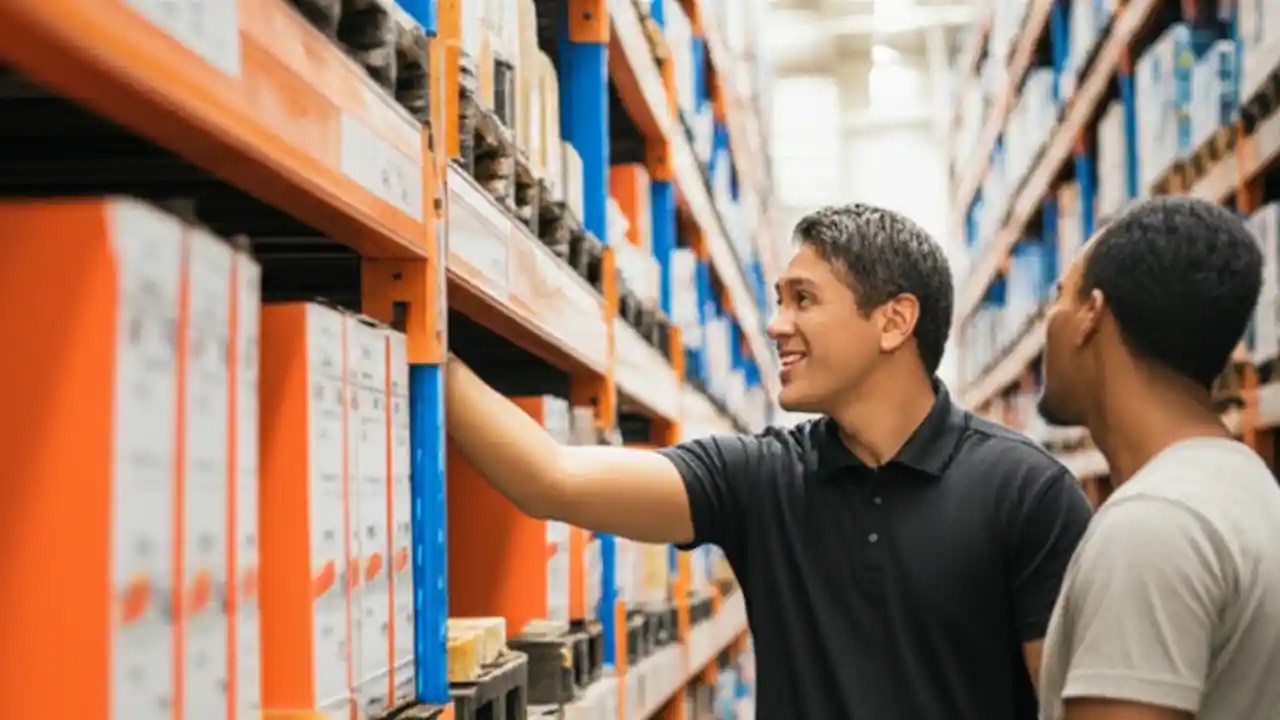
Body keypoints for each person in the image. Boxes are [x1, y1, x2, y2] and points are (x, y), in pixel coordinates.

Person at [447, 202, 1092, 718]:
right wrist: (417, 347)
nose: (776, 324)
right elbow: (549, 480)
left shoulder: (1025, 493)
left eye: (803, 300)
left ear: (894, 322)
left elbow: (1064, 706)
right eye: (780, 300)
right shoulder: (762, 480)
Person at [1036, 196, 1280, 720]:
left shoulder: (1151, 526)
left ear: (1091, 316)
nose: (1048, 319)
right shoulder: (1248, 490)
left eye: (1060, 295)